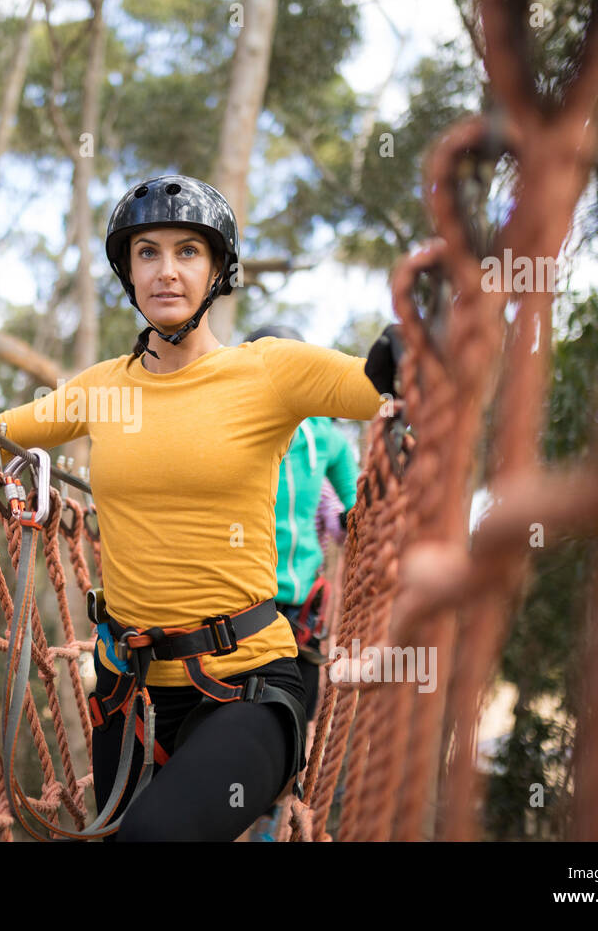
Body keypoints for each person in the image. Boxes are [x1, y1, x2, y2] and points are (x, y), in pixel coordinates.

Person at [0, 174, 403, 841]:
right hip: (130, 693)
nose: (166, 270)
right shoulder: (101, 389)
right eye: (147, 252)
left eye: (188, 251)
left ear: (217, 270)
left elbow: (368, 386)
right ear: (127, 271)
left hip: (249, 689)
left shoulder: (266, 372)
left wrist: (404, 356)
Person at [242, 325, 361, 840]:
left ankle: (273, 815)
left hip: (299, 605)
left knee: (297, 718)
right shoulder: (234, 419)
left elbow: (355, 505)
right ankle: (234, 807)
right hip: (236, 598)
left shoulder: (327, 437)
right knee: (234, 715)